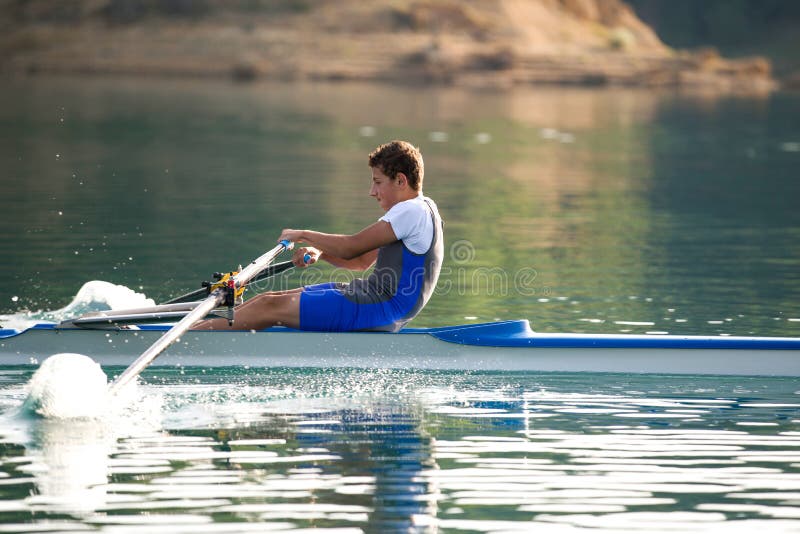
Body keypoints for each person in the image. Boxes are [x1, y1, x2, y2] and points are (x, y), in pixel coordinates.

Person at [194, 140, 443, 332]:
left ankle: (186, 339)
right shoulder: (420, 209)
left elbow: (350, 248)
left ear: (401, 180)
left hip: (379, 309)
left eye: (377, 182)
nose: (372, 191)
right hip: (374, 302)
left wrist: (302, 235)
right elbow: (359, 262)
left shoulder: (411, 211)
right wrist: (321, 253)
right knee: (267, 299)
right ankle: (198, 330)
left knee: (268, 307)